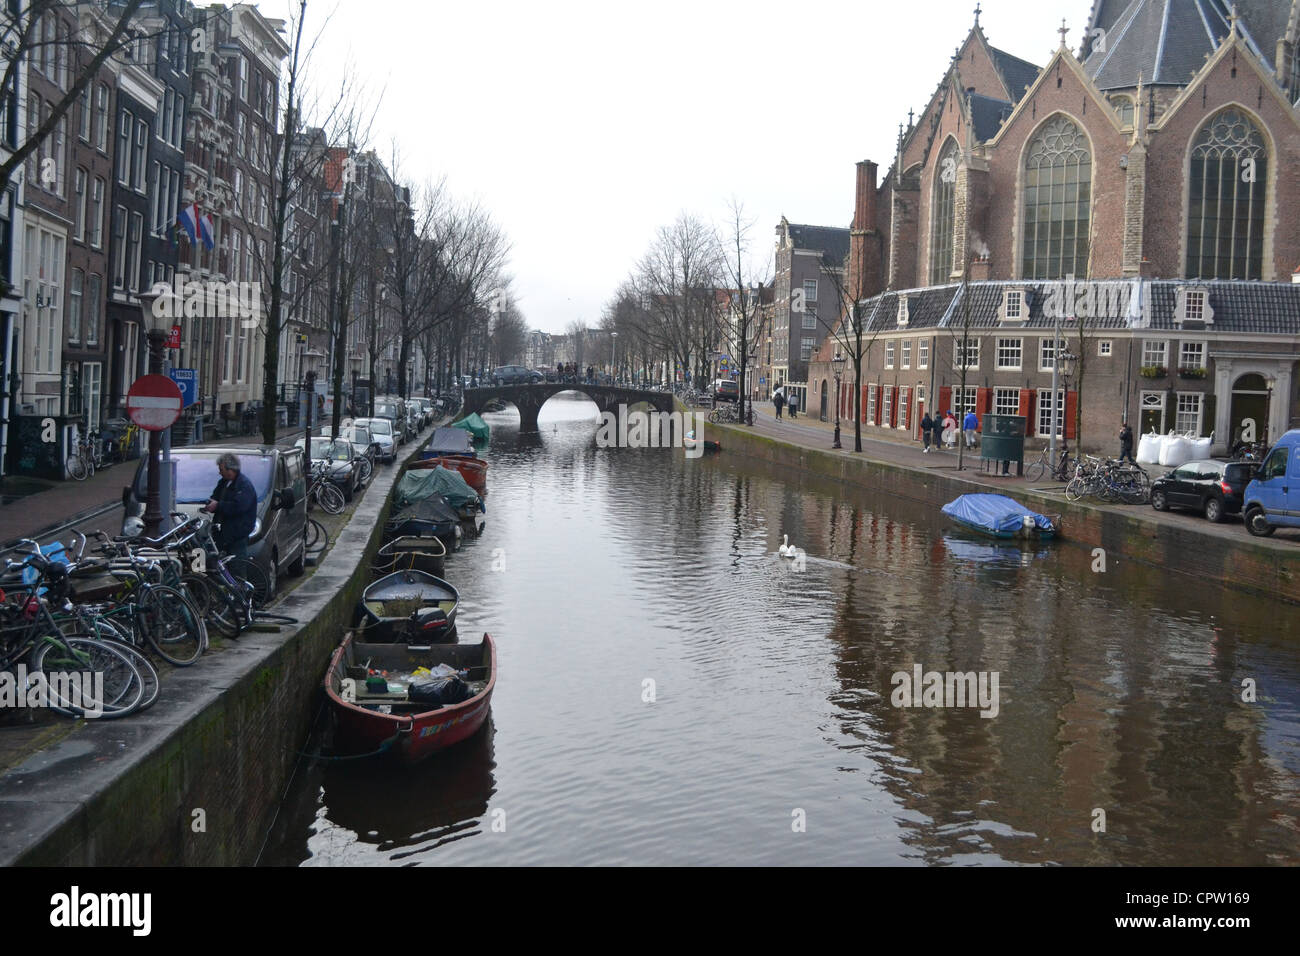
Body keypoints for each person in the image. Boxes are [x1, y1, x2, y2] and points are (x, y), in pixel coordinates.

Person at [205, 452, 257, 560]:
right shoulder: (223, 482)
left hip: (236, 536)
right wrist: (210, 503)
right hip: (222, 534)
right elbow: (215, 496)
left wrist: (218, 506)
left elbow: (239, 506)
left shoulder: (244, 485)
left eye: (221, 469)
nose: (219, 472)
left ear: (230, 470)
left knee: (236, 568)